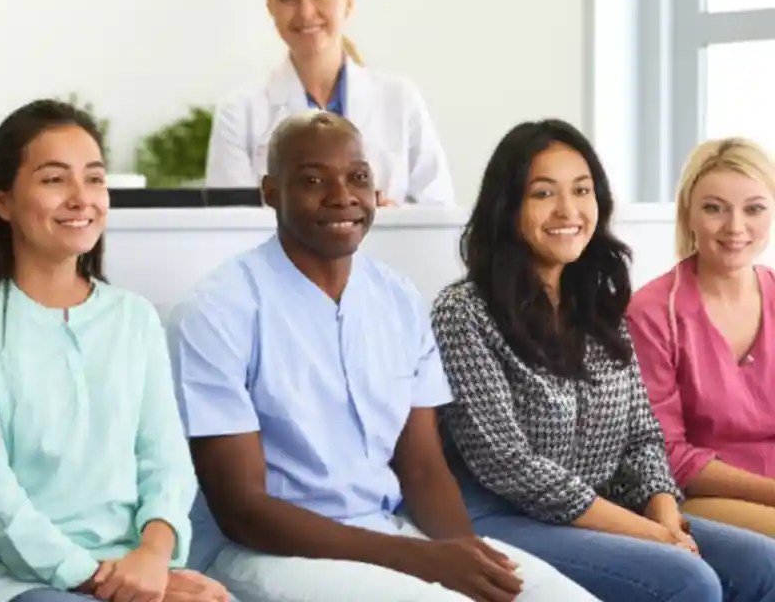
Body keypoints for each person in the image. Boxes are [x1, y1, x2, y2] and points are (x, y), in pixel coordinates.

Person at [168, 110, 594, 601]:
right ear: (270, 192)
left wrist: (463, 554)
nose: (342, 195)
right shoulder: (218, 311)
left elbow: (423, 469)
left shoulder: (398, 300)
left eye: (358, 178)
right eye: (312, 179)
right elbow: (242, 509)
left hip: (389, 530)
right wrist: (420, 560)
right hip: (268, 554)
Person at [430, 120, 775, 601]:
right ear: (507, 207)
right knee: (687, 582)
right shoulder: (463, 312)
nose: (568, 210)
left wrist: (662, 510)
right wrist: (649, 535)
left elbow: (642, 437)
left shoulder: (598, 307)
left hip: (605, 508)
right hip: (504, 514)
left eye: (582, 190)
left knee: (763, 564)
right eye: (543, 193)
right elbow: (509, 464)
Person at [0, 99, 230, 602]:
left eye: (94, 178)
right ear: (2, 201)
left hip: (134, 567)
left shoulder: (135, 319)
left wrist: (152, 559)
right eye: (53, 179)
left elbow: (166, 461)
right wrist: (107, 581)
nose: (81, 197)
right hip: (7, 579)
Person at [204, 0, 454, 206]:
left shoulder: (400, 99)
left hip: (387, 249)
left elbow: (438, 212)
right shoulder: (240, 112)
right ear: (270, 8)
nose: (306, 12)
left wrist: (392, 216)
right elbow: (228, 226)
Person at [627, 138, 775, 538]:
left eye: (754, 209)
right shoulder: (651, 313)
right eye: (714, 208)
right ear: (688, 214)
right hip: (698, 495)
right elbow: (666, 453)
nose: (736, 228)